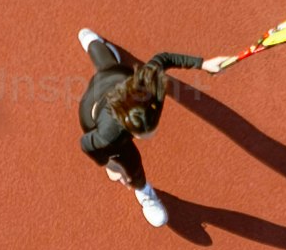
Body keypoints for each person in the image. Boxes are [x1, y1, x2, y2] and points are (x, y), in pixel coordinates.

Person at [74, 26, 232, 228]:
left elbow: (163, 58)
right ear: (130, 130)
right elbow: (86, 143)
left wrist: (204, 64)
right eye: (141, 133)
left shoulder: (145, 86)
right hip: (91, 112)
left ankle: (91, 41)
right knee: (131, 163)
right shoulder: (109, 134)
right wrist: (109, 165)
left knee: (109, 66)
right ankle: (143, 190)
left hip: (115, 77)